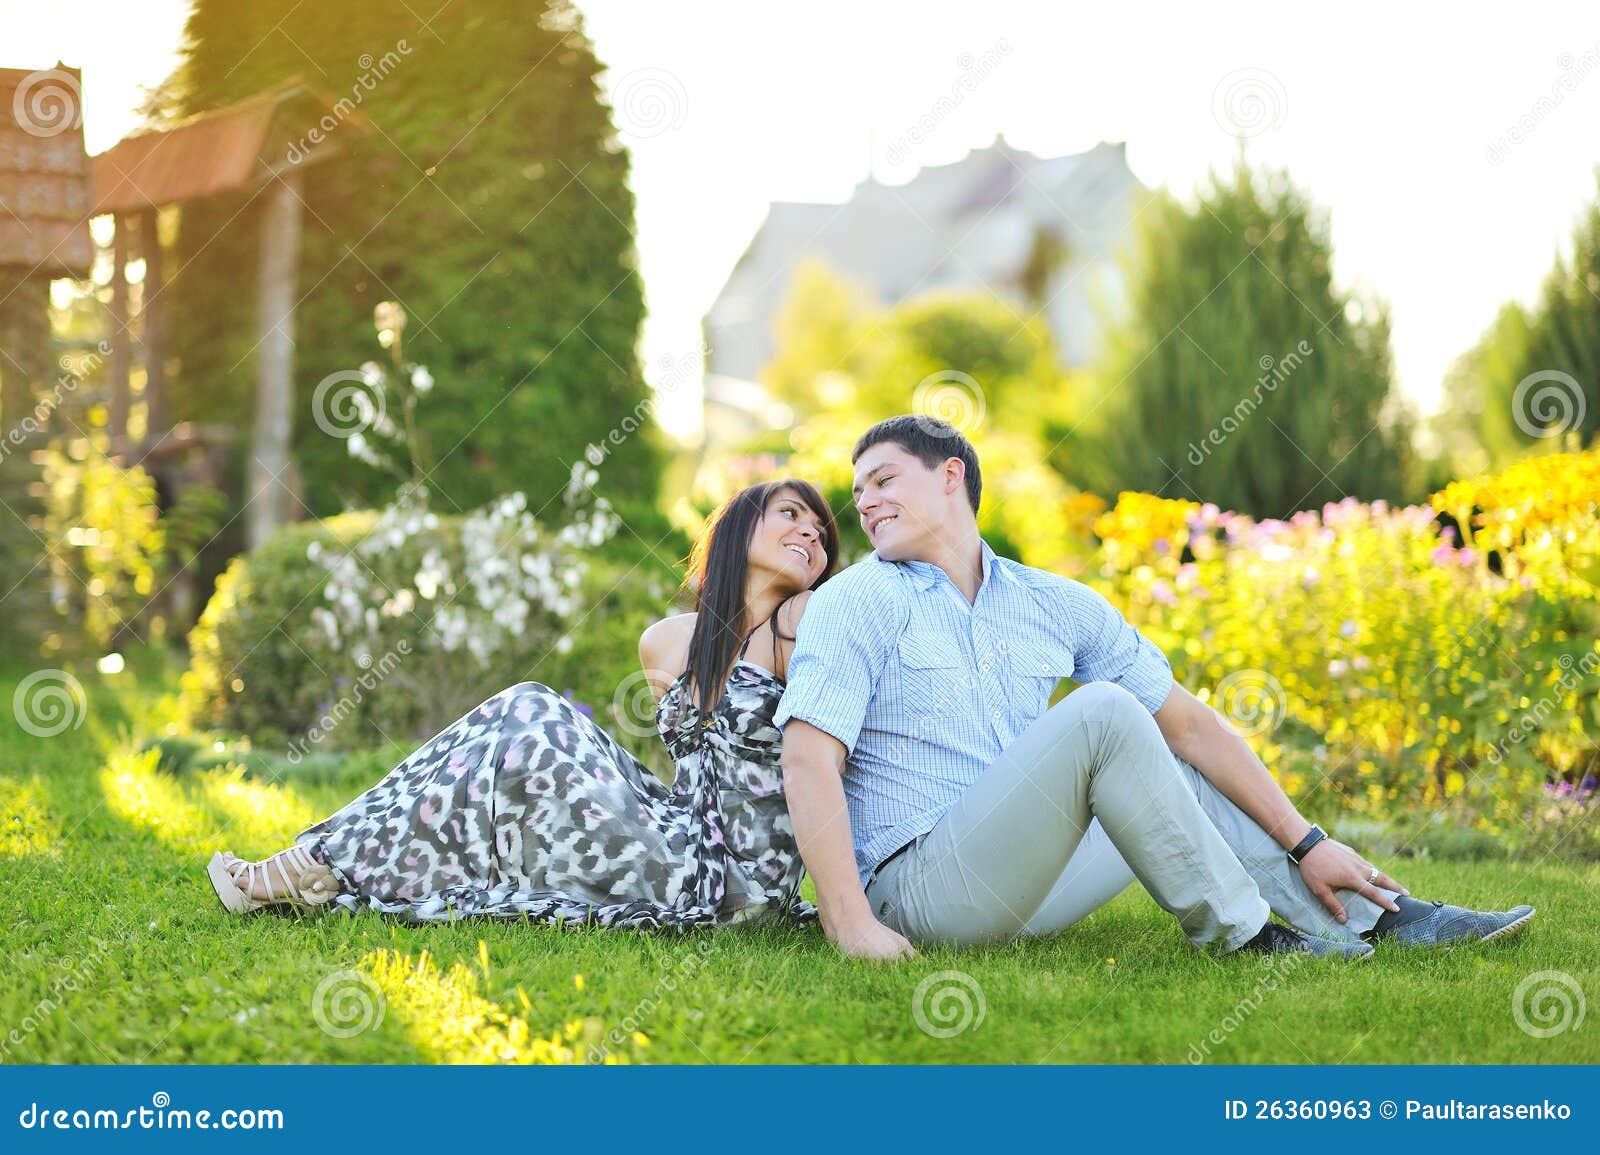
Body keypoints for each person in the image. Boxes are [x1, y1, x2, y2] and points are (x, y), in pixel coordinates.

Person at [776, 415, 1536, 961]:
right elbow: (808, 755)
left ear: (951, 477)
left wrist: (1307, 838)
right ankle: (1243, 935)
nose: (865, 501)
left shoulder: (1053, 601)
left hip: (1024, 884)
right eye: (857, 488)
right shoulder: (857, 598)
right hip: (917, 892)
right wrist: (849, 920)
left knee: (1162, 741)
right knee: (1108, 710)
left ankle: (1378, 919)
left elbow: (1192, 726)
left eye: (883, 479)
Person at [206, 480, 838, 929]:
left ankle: (316, 861)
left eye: (821, 532)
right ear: (737, 529)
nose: (811, 532)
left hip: (731, 879)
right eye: (791, 515)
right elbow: (695, 774)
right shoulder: (669, 643)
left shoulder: (804, 621)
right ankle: (324, 862)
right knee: (526, 708)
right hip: (679, 838)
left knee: (530, 716)